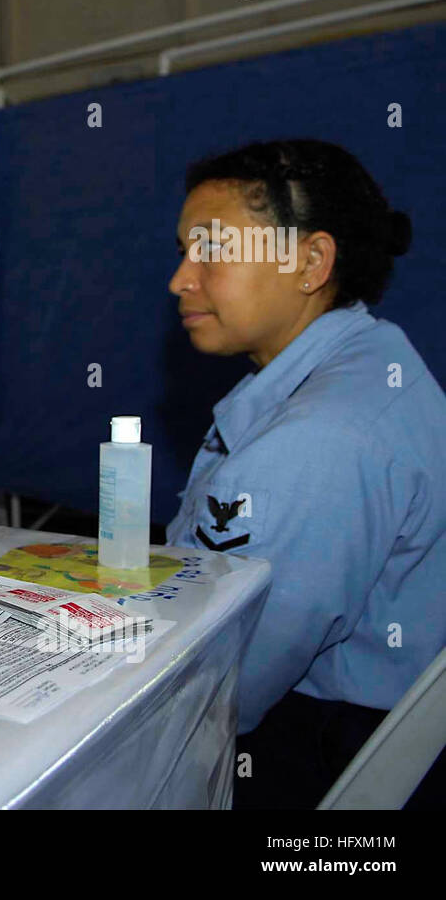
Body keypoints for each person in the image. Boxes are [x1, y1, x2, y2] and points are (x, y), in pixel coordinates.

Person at [166, 139, 446, 808]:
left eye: (212, 250)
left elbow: (229, 685)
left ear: (311, 262)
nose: (181, 278)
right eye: (182, 251)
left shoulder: (318, 439)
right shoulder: (378, 357)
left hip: (320, 752)